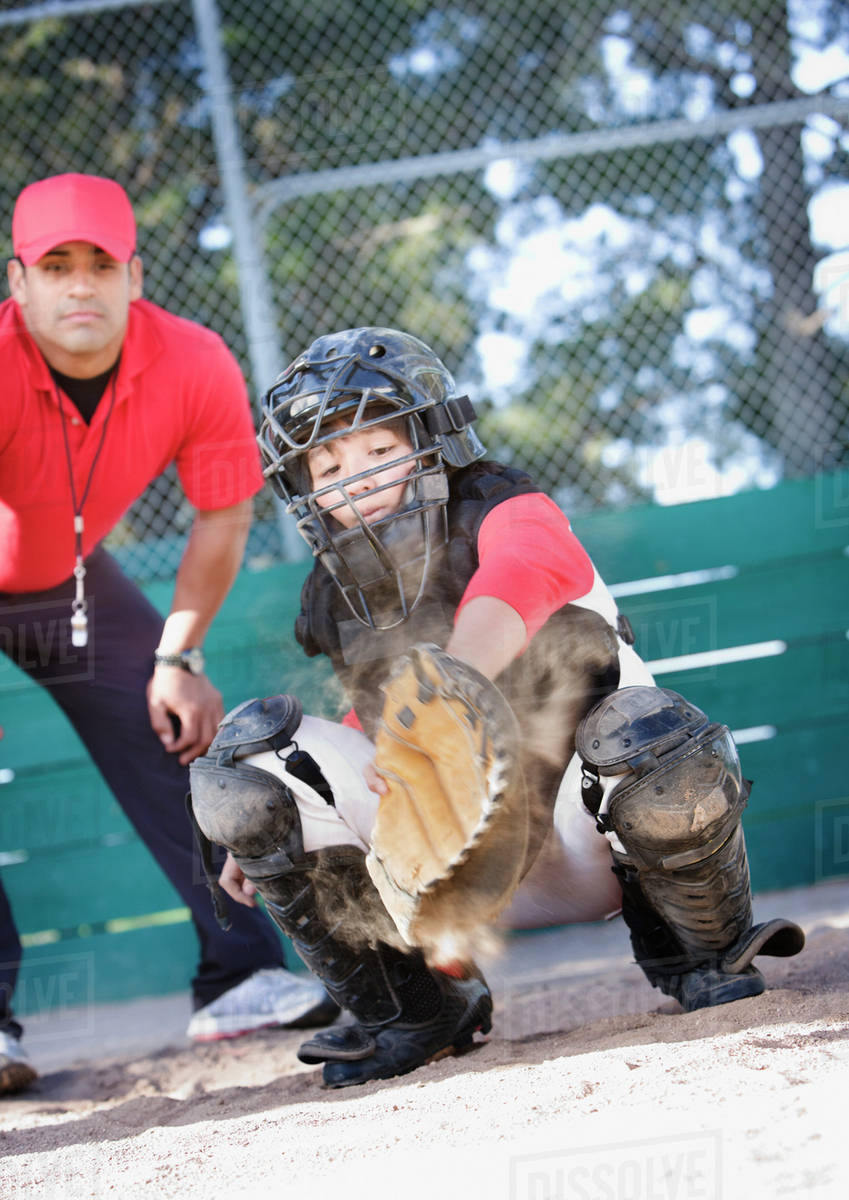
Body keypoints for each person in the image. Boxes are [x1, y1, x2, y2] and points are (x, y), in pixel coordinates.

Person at [189, 326, 804, 1090]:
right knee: (249, 765)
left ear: (433, 436)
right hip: (446, 873)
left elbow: (515, 579)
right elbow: (359, 729)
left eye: (378, 450)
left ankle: (700, 951)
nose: (355, 479)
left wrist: (448, 685)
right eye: (328, 464)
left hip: (596, 843)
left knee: (644, 731)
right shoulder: (331, 591)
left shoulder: (502, 505)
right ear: (300, 487)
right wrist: (266, 832)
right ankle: (418, 1007)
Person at [0, 174, 336, 1096]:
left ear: (134, 276)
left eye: (99, 264)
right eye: (55, 265)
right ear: (18, 280)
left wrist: (178, 655)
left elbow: (221, 519)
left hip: (65, 580)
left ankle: (238, 977)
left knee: (177, 728)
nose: (79, 286)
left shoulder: (192, 362)